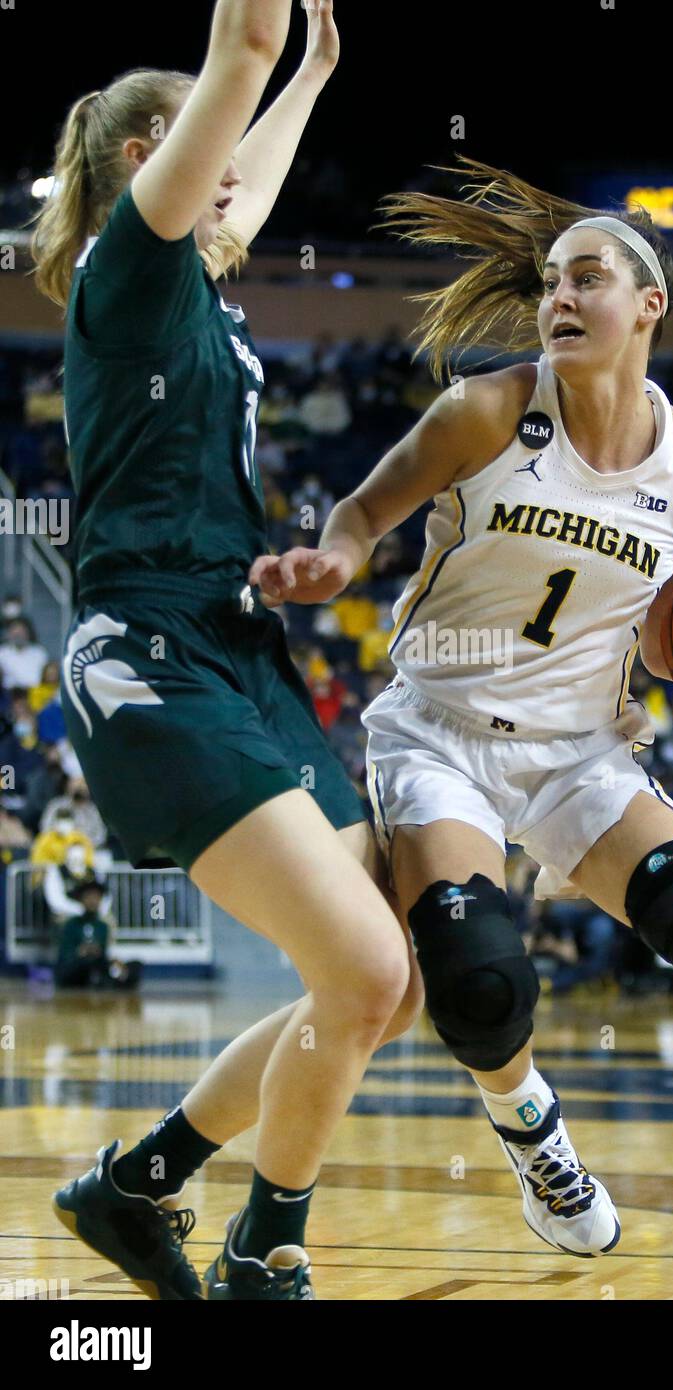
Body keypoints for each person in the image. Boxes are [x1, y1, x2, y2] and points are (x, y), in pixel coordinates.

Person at [252, 159, 673, 1291]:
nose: (561, 297)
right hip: (441, 733)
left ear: (648, 304)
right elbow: (367, 509)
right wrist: (334, 556)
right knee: (476, 976)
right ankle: (536, 1141)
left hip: (582, 751)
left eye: (588, 278)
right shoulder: (488, 411)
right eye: (553, 281)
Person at [32, 0, 421, 1301]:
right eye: (205, 154)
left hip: (239, 644)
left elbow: (249, 156)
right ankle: (268, 1247)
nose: (231, 181)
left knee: (384, 985)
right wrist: (266, 52)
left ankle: (134, 1186)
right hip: (147, 652)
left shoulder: (197, 276)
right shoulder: (129, 265)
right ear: (153, 156)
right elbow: (236, 52)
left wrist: (314, 70)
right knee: (359, 969)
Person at [53, 877, 141, 990]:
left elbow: (103, 954)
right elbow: (64, 955)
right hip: (75, 968)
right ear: (81, 899)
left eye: (96, 897)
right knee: (85, 967)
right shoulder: (71, 924)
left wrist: (111, 960)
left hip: (96, 965)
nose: (93, 901)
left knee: (134, 965)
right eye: (89, 896)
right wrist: (80, 952)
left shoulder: (103, 926)